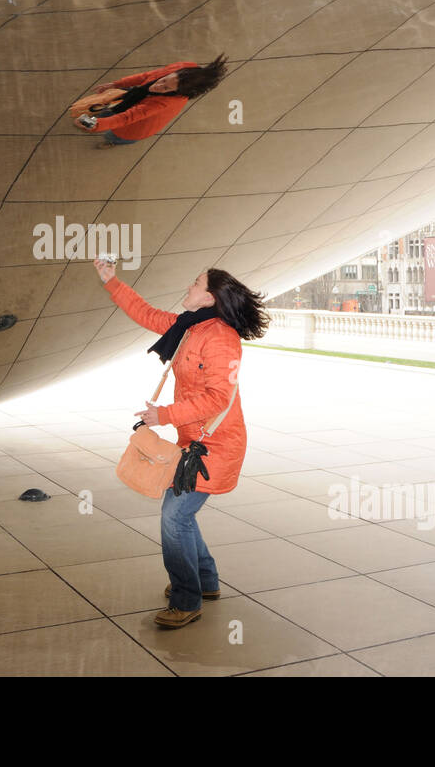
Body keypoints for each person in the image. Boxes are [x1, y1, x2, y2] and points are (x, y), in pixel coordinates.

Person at [94, 256, 268, 628]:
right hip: (194, 442)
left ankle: (186, 599)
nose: (188, 287)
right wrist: (111, 281)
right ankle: (206, 583)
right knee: (182, 515)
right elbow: (147, 315)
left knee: (175, 516)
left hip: (216, 446)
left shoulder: (220, 338)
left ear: (209, 298)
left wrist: (165, 415)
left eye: (195, 283)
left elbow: (218, 398)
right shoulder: (191, 326)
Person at [74, 54, 228, 149]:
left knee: (114, 136)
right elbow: (148, 76)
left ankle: (113, 142)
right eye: (164, 80)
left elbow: (127, 118)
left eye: (166, 88)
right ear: (175, 72)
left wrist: (95, 125)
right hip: (136, 96)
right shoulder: (183, 67)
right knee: (110, 110)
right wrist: (118, 84)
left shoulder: (163, 103)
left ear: (176, 93)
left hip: (134, 128)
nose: (158, 86)